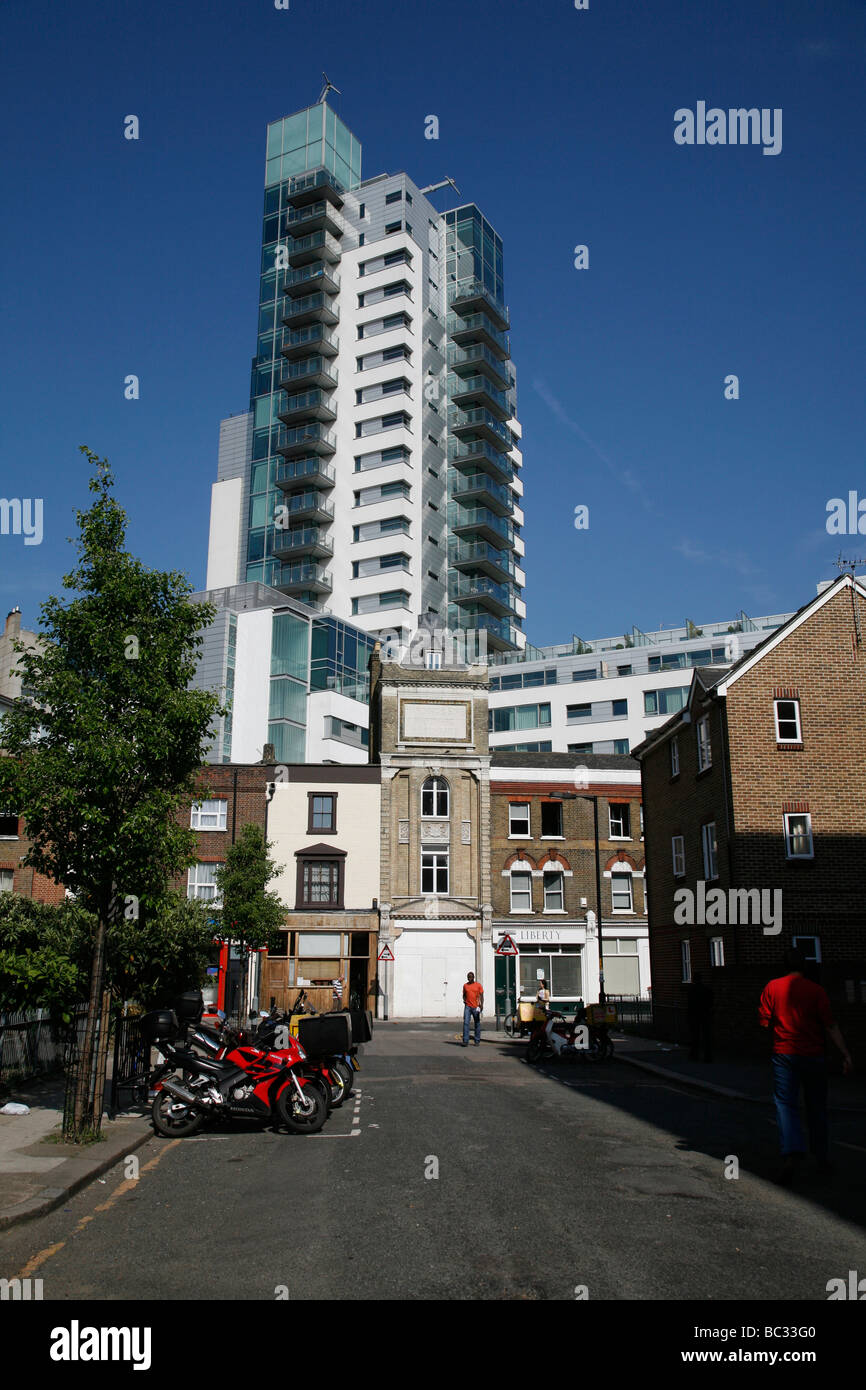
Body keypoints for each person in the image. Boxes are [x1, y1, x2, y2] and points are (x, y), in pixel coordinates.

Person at [759, 947, 853, 1184]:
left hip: (784, 1053)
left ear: (784, 964)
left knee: (785, 1104)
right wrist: (845, 1054)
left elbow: (764, 1021)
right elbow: (830, 1025)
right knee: (817, 1106)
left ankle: (792, 1153)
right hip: (813, 1055)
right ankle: (821, 1156)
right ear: (805, 965)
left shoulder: (772, 987)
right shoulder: (817, 991)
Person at [687, 972, 714, 1062]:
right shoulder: (707, 990)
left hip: (695, 1015)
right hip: (705, 1014)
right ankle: (708, 1056)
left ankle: (694, 1054)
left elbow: (689, 1004)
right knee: (706, 1036)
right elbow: (711, 1002)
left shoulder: (691, 990)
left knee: (695, 1035)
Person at [462, 972, 484, 1046]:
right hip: (468, 1006)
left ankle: (477, 1040)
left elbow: (481, 996)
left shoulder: (478, 985)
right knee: (466, 1023)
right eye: (468, 977)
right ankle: (465, 1040)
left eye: (471, 977)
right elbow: (464, 995)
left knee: (477, 1023)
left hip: (476, 1007)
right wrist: (465, 1001)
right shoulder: (465, 985)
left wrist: (481, 1005)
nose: (469, 978)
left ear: (473, 977)